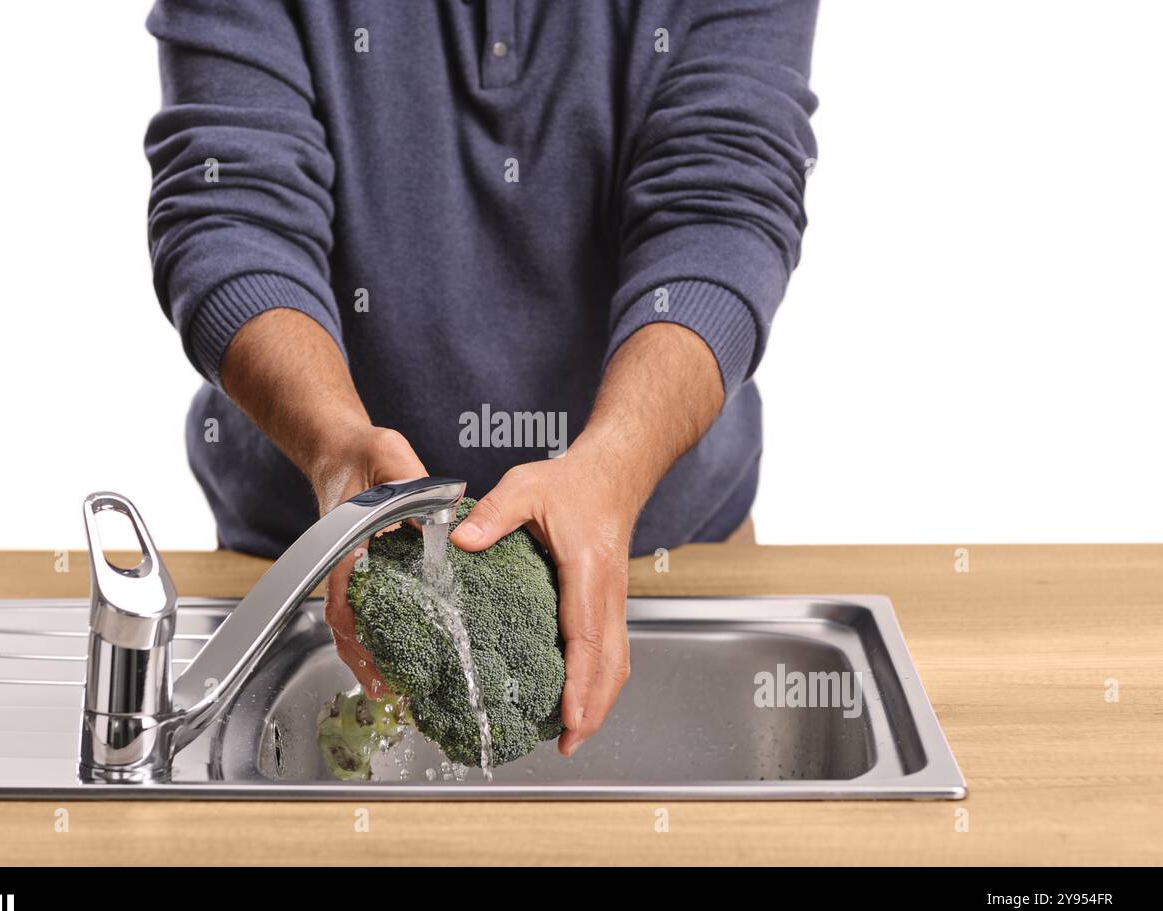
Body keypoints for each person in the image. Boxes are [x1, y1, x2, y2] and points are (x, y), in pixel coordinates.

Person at [144, 0, 818, 757]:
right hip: (309, 558)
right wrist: (335, 444)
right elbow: (232, 207)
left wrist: (617, 465)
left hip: (670, 557)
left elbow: (723, 203)